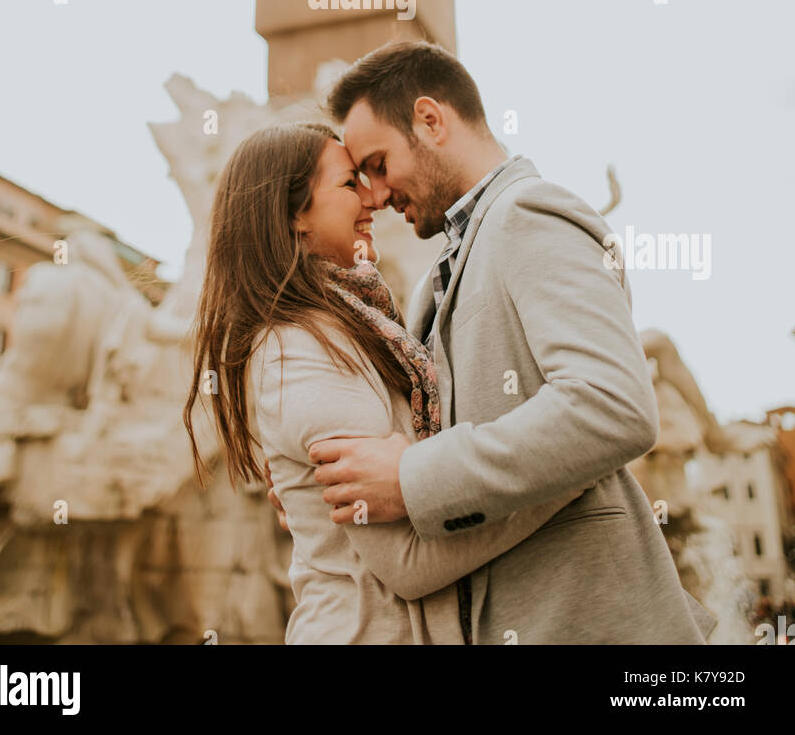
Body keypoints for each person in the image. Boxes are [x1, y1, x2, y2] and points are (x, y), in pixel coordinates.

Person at [295, 39, 717, 646]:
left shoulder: (530, 213)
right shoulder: (430, 284)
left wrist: (414, 475)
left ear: (430, 120)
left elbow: (613, 405)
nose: (377, 196)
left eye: (380, 165)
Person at [183, 120, 580, 644]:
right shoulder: (299, 350)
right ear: (293, 216)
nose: (373, 197)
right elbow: (409, 563)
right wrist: (568, 472)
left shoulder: (356, 321)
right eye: (350, 184)